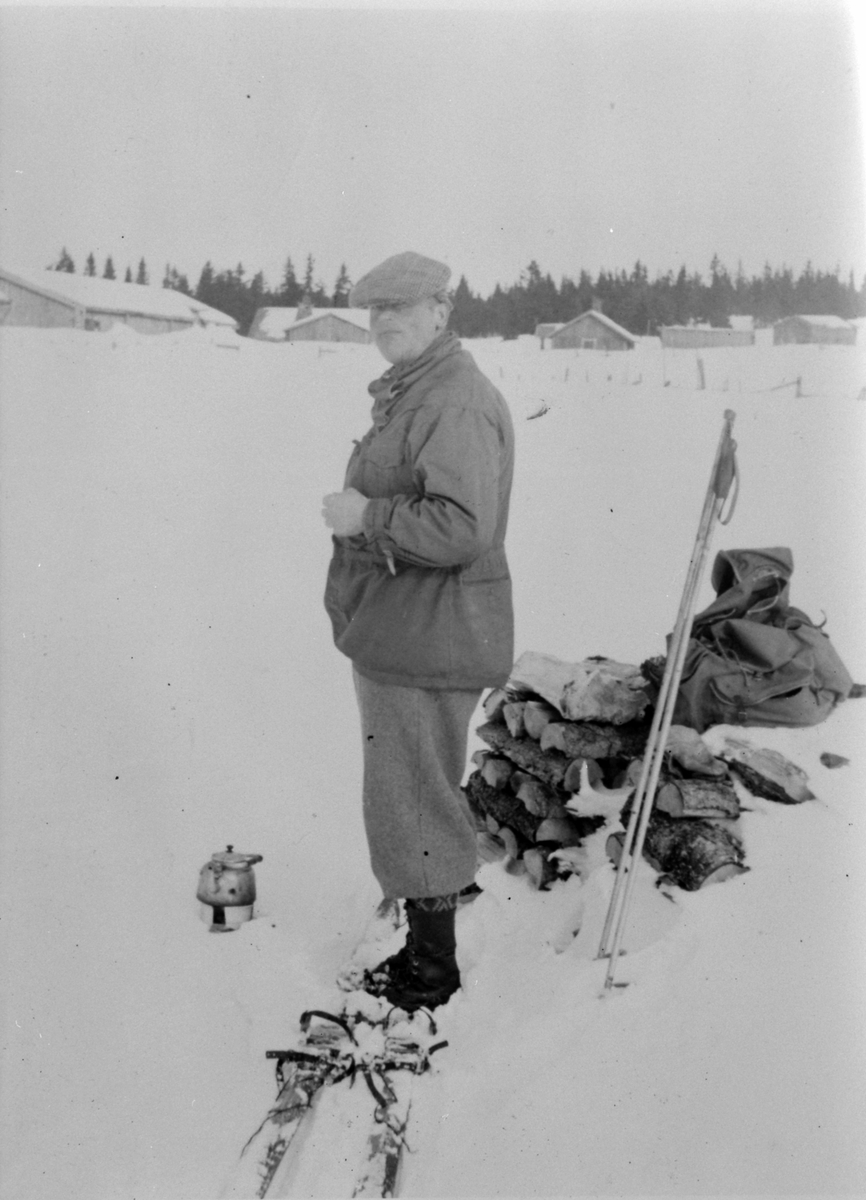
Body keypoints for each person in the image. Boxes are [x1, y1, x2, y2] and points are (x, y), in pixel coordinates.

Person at [322, 251, 515, 1011]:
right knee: (415, 783)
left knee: (411, 793)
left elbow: (464, 527)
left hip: (428, 635)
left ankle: (429, 968)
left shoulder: (451, 400)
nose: (386, 322)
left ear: (443, 310)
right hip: (410, 627)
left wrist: (367, 516)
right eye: (376, 311)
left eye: (404, 307)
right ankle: (437, 904)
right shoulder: (420, 389)